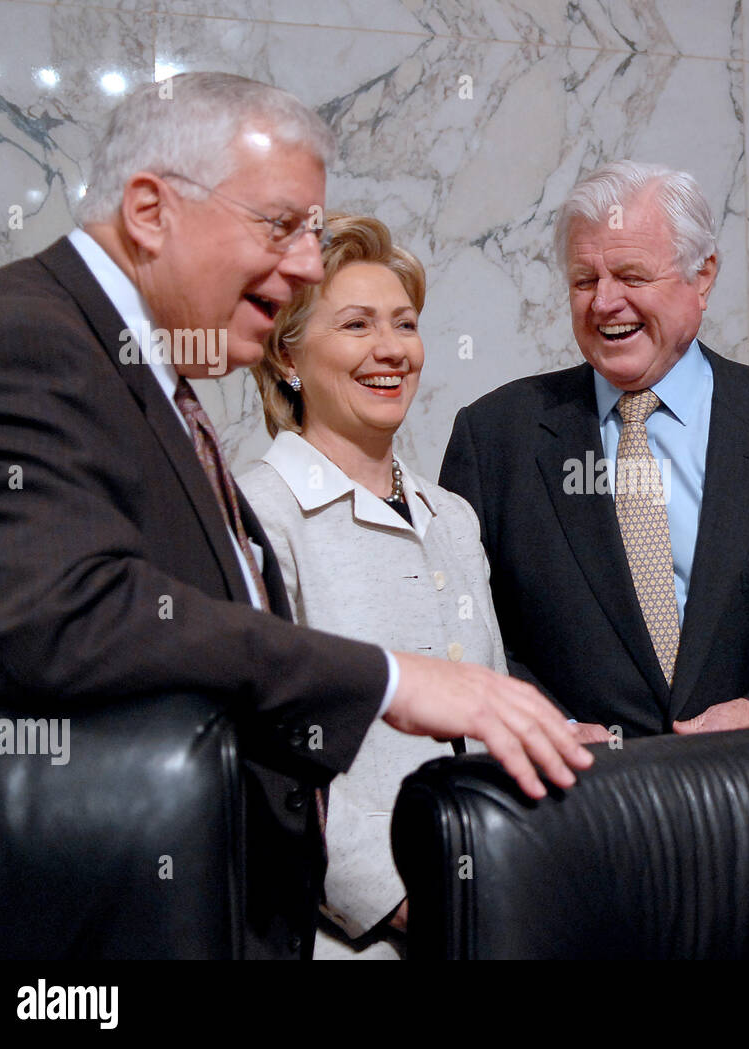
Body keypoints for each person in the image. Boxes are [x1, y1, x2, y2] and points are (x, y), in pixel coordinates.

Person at [0, 72, 589, 960]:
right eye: (280, 224)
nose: (303, 262)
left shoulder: (150, 378)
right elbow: (63, 612)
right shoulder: (25, 337)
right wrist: (390, 679)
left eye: (312, 231)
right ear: (150, 209)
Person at [440, 161, 749, 739]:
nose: (605, 302)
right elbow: (465, 622)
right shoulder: (495, 437)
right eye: (585, 281)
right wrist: (550, 723)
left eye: (631, 275)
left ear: (701, 276)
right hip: (576, 803)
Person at [240, 214, 504, 960]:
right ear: (287, 356)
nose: (391, 349)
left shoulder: (451, 516)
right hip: (350, 934)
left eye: (405, 323)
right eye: (356, 324)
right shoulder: (262, 512)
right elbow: (264, 753)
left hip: (493, 900)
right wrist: (393, 895)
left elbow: (482, 706)